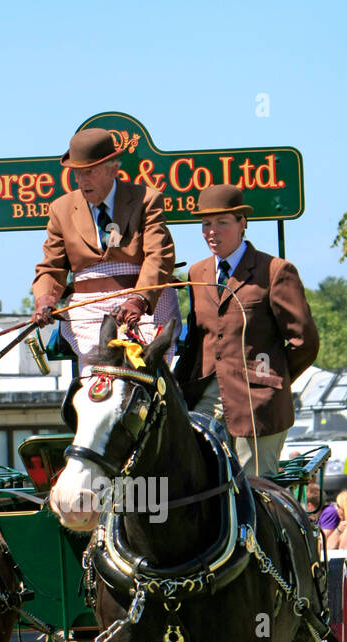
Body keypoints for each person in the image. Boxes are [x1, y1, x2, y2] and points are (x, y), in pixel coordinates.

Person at [175, 184, 319, 477]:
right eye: (205, 224)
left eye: (222, 222)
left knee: (253, 493)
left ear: (242, 224)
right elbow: (197, 338)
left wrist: (269, 378)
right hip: (204, 400)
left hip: (258, 406)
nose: (212, 231)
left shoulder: (276, 271)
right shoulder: (196, 274)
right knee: (199, 488)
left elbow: (305, 342)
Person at [31, 127, 177, 364]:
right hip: (86, 310)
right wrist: (45, 300)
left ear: (113, 169)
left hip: (143, 304)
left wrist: (139, 299)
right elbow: (52, 267)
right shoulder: (61, 209)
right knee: (99, 378)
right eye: (77, 174)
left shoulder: (147, 200)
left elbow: (158, 256)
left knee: (146, 370)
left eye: (90, 172)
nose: (82, 181)